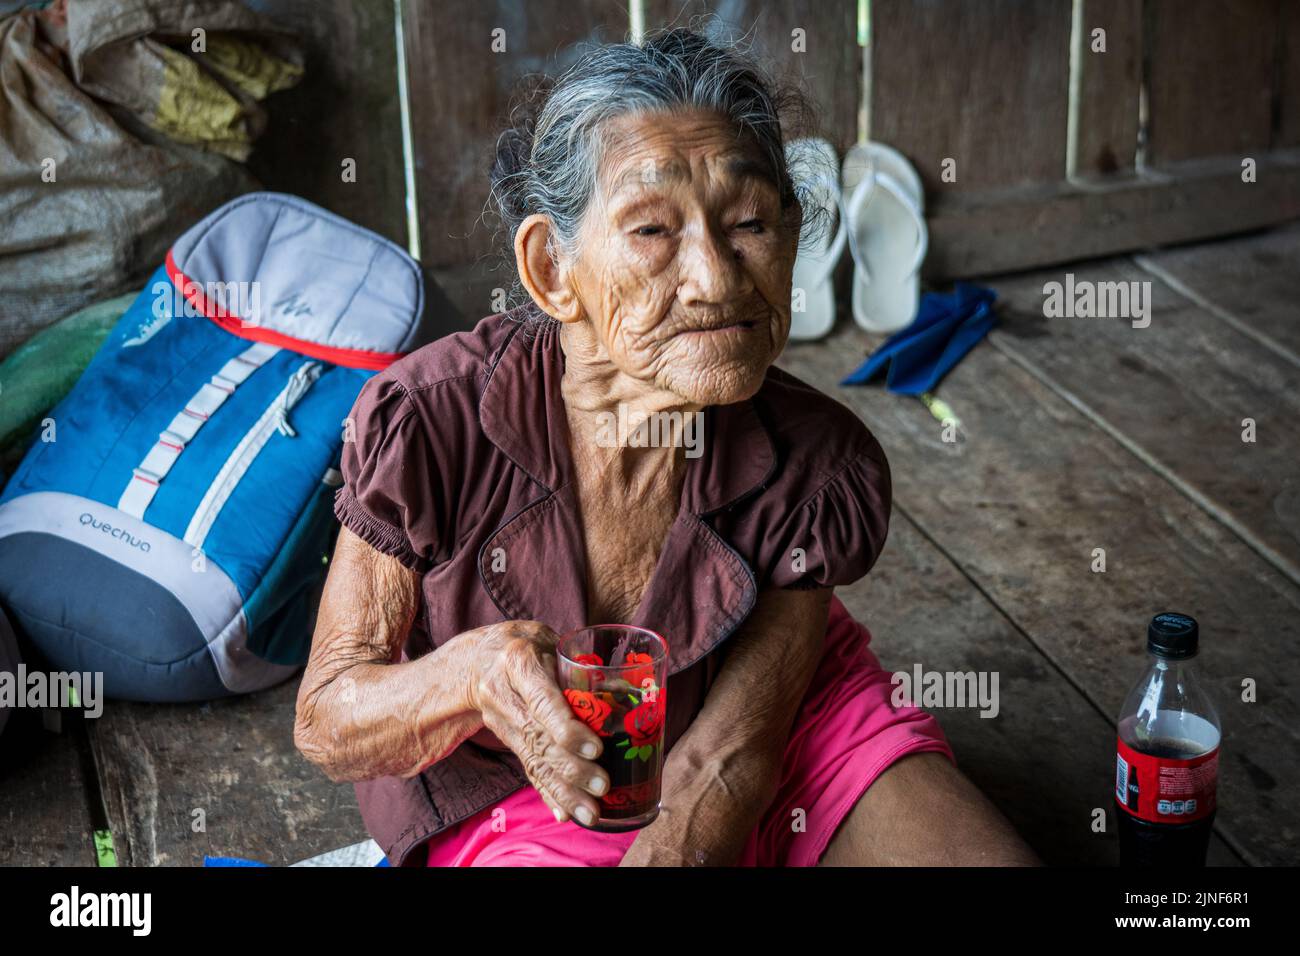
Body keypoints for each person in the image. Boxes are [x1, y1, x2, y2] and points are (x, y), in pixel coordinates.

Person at [294, 27, 1040, 867]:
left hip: (785, 723)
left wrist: (692, 827)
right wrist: (472, 676)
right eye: (653, 231)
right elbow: (327, 717)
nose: (719, 281)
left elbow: (733, 761)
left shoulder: (816, 461)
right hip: (523, 785)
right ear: (550, 269)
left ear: (793, 237)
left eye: (751, 222)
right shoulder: (433, 420)